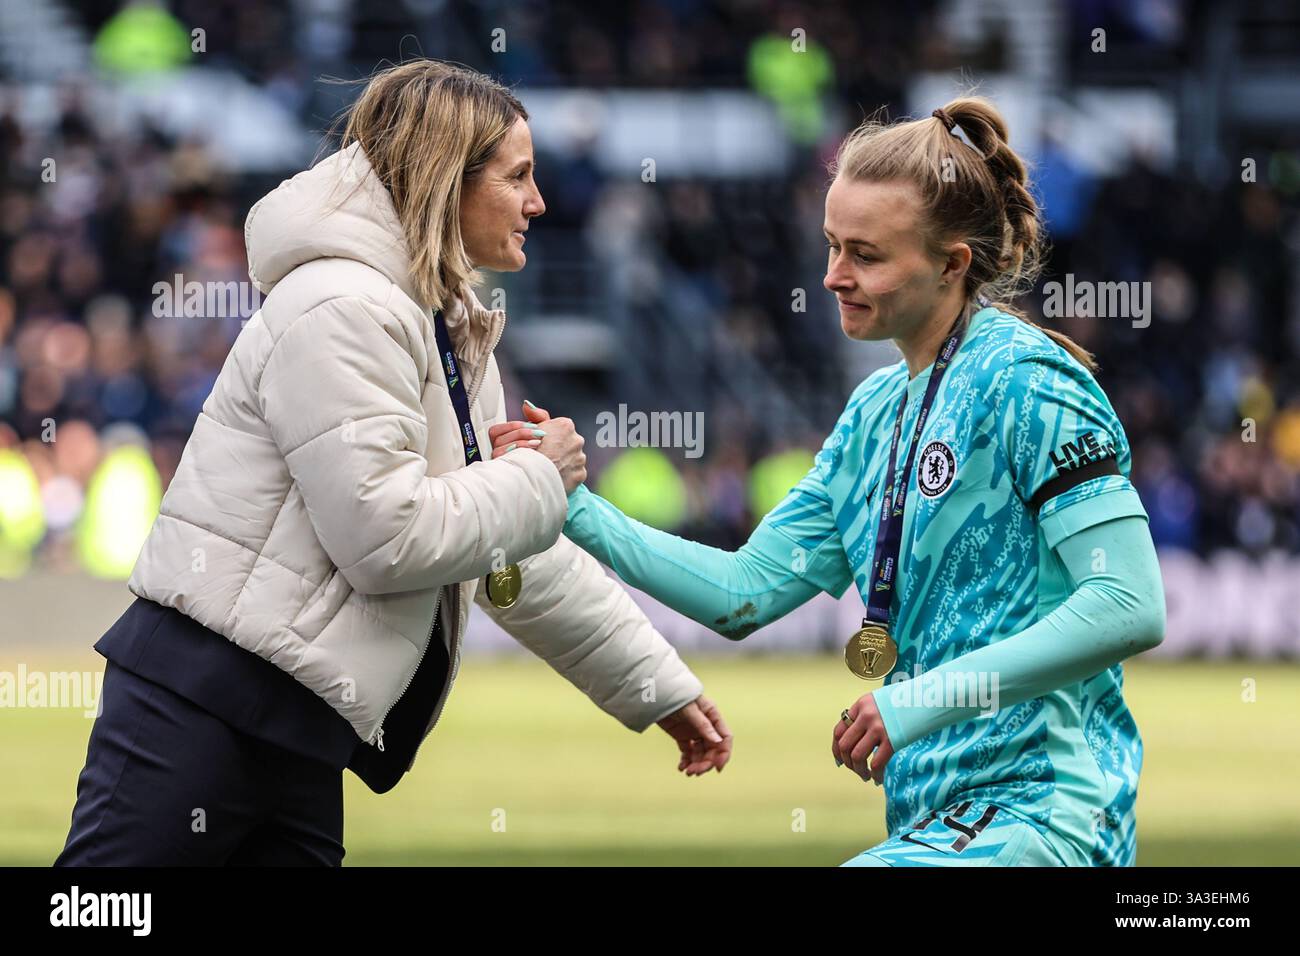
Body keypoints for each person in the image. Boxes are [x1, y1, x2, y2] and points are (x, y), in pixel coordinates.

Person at [55, 60, 731, 868]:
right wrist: (540, 478)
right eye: (517, 176)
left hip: (292, 719)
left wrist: (656, 686)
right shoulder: (346, 305)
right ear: (447, 179)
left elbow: (508, 551)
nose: (538, 203)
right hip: (206, 705)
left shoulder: (434, 318)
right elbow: (384, 537)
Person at [492, 97, 1165, 867]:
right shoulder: (874, 411)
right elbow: (744, 593)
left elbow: (1129, 604)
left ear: (953, 264)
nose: (833, 276)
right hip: (939, 817)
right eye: (832, 246)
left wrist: (916, 701)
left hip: (1048, 814)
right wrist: (571, 505)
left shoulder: (1030, 382)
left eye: (866, 256)